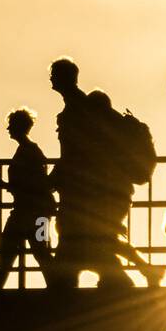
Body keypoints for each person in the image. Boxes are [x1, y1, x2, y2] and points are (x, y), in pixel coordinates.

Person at [49, 56, 130, 288]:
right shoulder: (81, 106)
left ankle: (65, 292)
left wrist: (54, 178)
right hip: (84, 189)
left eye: (54, 74)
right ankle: (116, 280)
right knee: (85, 245)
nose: (50, 79)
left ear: (65, 78)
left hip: (79, 191)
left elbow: (75, 152)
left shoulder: (76, 109)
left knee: (73, 243)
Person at [87, 90, 163, 286]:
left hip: (113, 192)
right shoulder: (118, 125)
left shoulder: (108, 129)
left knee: (105, 236)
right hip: (120, 191)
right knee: (107, 236)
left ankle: (140, 271)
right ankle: (130, 272)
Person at [0, 108, 56, 290]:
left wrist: (3, 185)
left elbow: (28, 186)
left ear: (18, 127)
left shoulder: (27, 152)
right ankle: (58, 289)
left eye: (11, 125)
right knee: (41, 250)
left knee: (8, 253)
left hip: (24, 213)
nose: (8, 129)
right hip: (39, 213)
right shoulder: (33, 151)